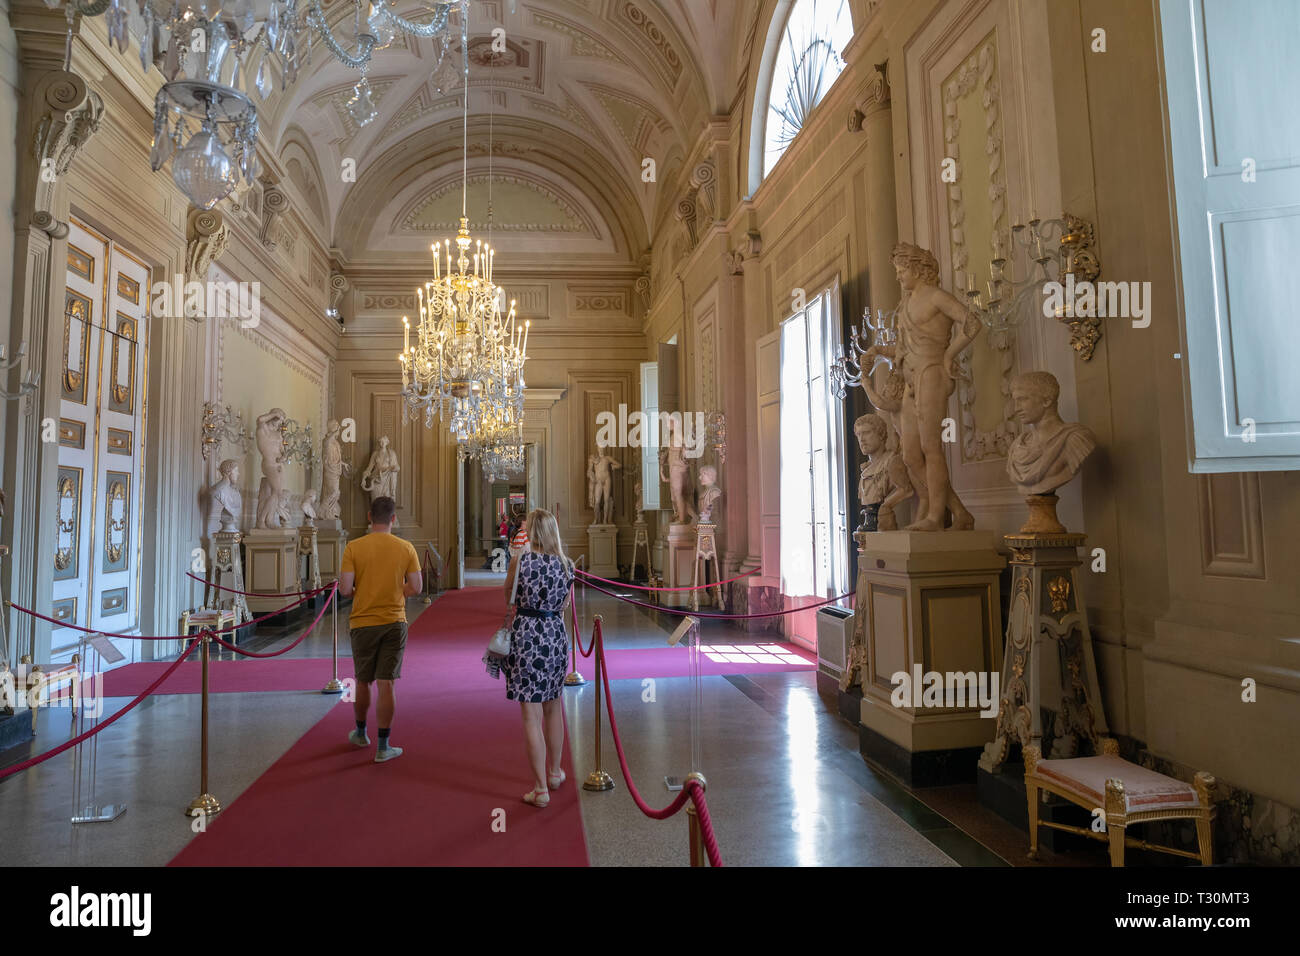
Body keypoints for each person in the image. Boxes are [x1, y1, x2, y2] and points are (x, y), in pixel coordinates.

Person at [338, 496, 422, 762]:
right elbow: (416, 587)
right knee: (387, 683)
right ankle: (384, 747)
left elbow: (344, 589)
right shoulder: (406, 547)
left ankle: (361, 733)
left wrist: (362, 591)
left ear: (369, 517)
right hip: (394, 621)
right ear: (393, 519)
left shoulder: (354, 547)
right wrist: (399, 591)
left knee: (363, 681)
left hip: (363, 622)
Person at [502, 509, 574, 807]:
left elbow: (508, 595)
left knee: (530, 714)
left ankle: (540, 789)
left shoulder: (522, 560)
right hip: (554, 634)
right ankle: (555, 772)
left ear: (532, 531)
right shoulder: (566, 564)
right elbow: (566, 604)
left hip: (527, 634)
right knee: (553, 708)